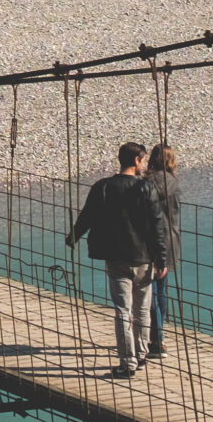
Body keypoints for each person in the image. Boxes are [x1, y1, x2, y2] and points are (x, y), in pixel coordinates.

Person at [66, 141, 169, 377]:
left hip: (116, 257)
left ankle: (127, 363)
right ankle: (142, 355)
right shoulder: (147, 188)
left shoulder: (103, 187)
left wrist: (73, 236)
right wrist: (161, 260)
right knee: (142, 310)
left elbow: (88, 216)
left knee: (123, 310)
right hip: (144, 258)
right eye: (143, 160)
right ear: (136, 161)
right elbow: (157, 227)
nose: (144, 164)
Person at [144, 144, 182, 358]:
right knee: (161, 289)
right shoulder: (175, 183)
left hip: (151, 240)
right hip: (172, 240)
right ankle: (159, 336)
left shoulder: (147, 183)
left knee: (149, 290)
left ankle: (155, 339)